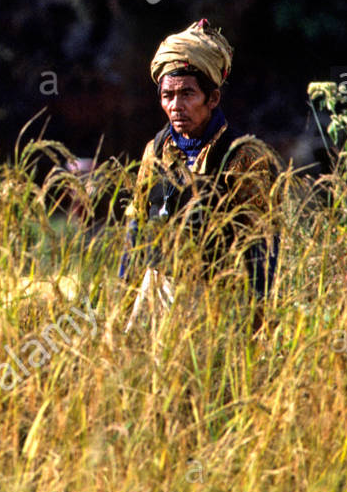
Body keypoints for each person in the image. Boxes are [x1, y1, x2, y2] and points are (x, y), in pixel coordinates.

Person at [117, 19, 282, 328]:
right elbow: (137, 223)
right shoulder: (155, 150)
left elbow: (261, 242)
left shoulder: (242, 156)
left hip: (213, 297)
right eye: (168, 95)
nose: (176, 105)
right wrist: (124, 290)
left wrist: (259, 313)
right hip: (156, 287)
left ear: (213, 99)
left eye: (188, 94)